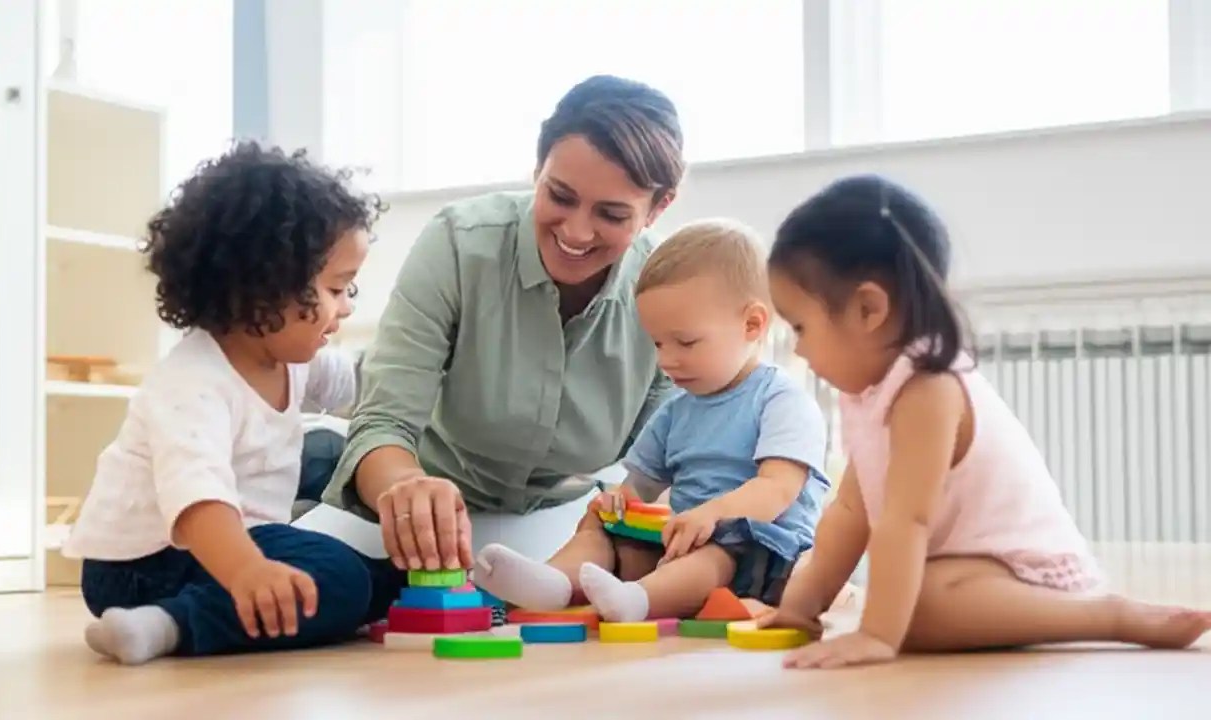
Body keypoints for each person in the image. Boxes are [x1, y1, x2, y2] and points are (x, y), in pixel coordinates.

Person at [758, 174, 1211, 668]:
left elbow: (905, 521)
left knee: (913, 611)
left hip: (1021, 571)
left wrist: (878, 636)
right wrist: (803, 602)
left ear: (869, 309)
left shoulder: (926, 389)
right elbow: (852, 511)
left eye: (800, 326)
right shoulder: (866, 393)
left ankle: (1109, 615)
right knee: (906, 595)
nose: (797, 347)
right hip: (970, 569)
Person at [315, 75, 686, 573]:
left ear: (658, 207)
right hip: (432, 496)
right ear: (537, 170)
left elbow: (663, 464)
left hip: (570, 520)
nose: (576, 231)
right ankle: (308, 453)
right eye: (559, 195)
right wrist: (407, 488)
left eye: (612, 214)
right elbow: (384, 422)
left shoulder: (669, 289)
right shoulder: (459, 243)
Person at [62, 142, 401, 665]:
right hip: (145, 565)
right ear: (263, 292)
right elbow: (198, 501)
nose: (346, 307)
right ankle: (166, 623)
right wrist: (245, 570)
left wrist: (438, 370)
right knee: (336, 576)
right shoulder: (194, 382)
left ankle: (223, 607)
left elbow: (366, 381)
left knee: (383, 577)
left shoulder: (288, 358)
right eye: (337, 289)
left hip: (231, 543)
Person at [470, 219, 831, 621]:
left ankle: (637, 600)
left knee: (723, 548)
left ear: (752, 324)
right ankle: (554, 583)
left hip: (765, 553)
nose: (666, 360)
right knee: (602, 526)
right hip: (681, 544)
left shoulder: (782, 400)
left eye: (686, 342)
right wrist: (617, 505)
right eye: (657, 343)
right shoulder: (677, 410)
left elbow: (776, 488)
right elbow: (639, 487)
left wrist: (712, 515)